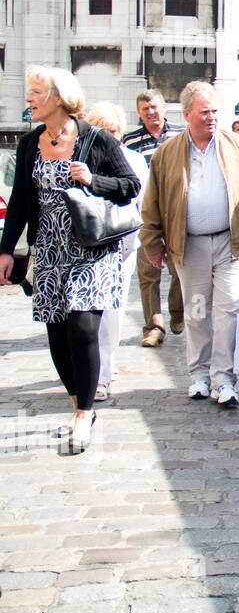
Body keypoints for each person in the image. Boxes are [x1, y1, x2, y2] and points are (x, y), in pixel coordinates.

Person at [0, 67, 140, 451]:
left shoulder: (94, 139)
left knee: (82, 327)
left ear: (59, 97)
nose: (29, 98)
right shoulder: (30, 144)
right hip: (48, 249)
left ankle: (83, 414)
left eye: (36, 92)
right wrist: (8, 250)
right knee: (57, 334)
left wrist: (95, 180)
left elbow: (130, 186)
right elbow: (19, 204)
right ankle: (78, 402)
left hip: (91, 250)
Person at [139, 81, 239, 408]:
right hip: (190, 246)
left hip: (231, 244)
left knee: (228, 310)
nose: (212, 117)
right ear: (187, 114)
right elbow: (152, 202)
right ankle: (199, 375)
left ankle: (224, 378)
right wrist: (152, 242)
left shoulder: (238, 147)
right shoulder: (168, 153)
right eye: (204, 112)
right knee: (197, 312)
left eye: (215, 111)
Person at [85, 103, 151, 403]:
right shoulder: (82, 158)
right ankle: (95, 369)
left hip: (122, 243)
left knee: (113, 307)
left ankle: (105, 364)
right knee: (89, 310)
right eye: (104, 131)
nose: (110, 137)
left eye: (115, 131)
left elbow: (144, 204)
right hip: (87, 244)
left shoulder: (135, 161)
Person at [123, 88, 185, 347]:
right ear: (139, 112)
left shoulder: (180, 135)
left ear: (163, 107)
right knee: (148, 273)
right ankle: (153, 325)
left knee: (180, 269)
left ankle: (178, 314)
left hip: (175, 214)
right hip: (144, 216)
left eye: (154, 107)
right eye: (145, 109)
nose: (151, 113)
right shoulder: (130, 140)